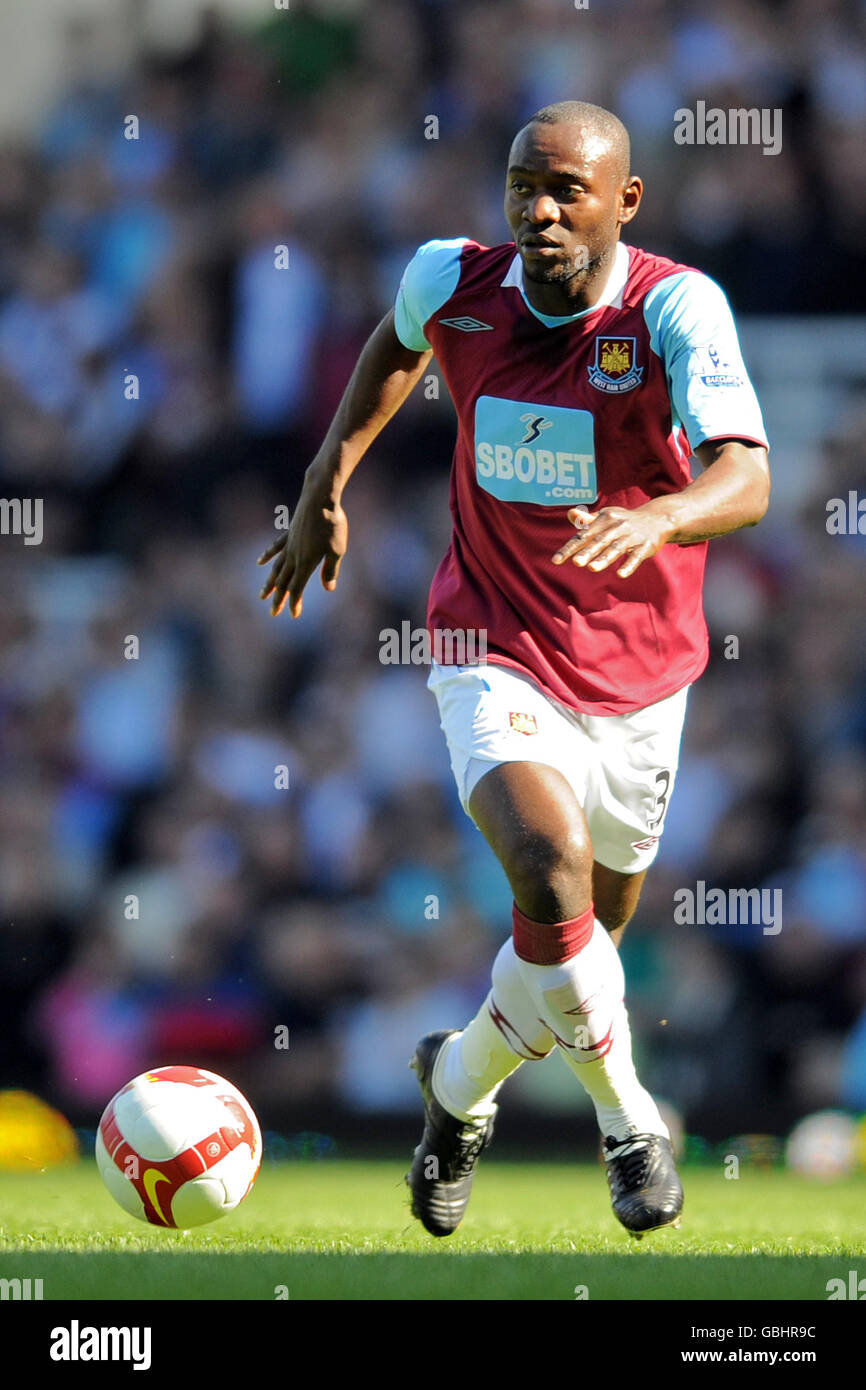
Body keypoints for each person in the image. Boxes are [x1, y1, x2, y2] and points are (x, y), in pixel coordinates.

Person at [258, 101, 770, 1238]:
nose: (537, 212)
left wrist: (665, 518)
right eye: (520, 188)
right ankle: (633, 1121)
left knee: (575, 949)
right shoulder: (451, 278)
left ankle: (455, 1087)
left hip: (641, 675)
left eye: (566, 192)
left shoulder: (673, 306)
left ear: (622, 203)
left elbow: (746, 477)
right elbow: (393, 347)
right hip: (487, 642)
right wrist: (323, 483)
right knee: (548, 870)